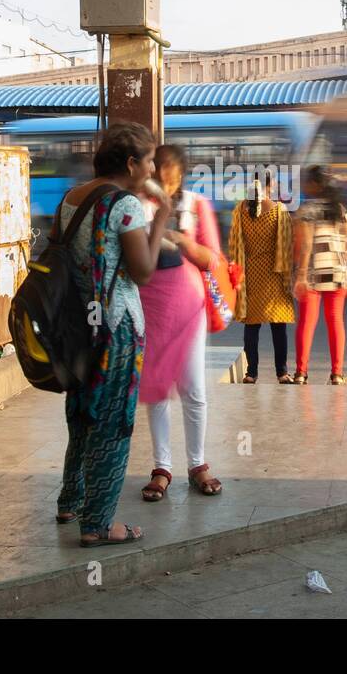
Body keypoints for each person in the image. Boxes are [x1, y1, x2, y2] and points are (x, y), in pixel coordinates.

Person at [54, 121, 170, 547]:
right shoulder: (125, 205)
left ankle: (71, 500)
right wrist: (161, 223)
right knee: (113, 423)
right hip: (116, 329)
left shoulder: (72, 198)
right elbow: (142, 271)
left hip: (77, 326)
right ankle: (98, 523)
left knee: (82, 414)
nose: (154, 166)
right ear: (131, 163)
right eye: (150, 159)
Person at [137, 145, 225, 501]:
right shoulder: (135, 205)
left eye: (170, 176)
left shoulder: (196, 206)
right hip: (149, 307)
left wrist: (181, 240)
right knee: (156, 387)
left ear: (181, 175)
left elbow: (213, 259)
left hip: (189, 308)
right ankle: (162, 467)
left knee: (193, 387)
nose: (164, 183)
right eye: (158, 175)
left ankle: (198, 463)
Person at [227, 168, 295, 384]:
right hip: (274, 274)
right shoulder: (279, 210)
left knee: (252, 325)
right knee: (279, 325)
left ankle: (251, 373)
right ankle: (282, 372)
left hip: (251, 273)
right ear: (271, 185)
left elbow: (234, 243)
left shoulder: (240, 210)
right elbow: (286, 246)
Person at [292, 166, 347, 385]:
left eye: (307, 181)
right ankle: (337, 374)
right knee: (335, 321)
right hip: (338, 272)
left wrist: (300, 275)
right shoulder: (342, 210)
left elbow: (305, 246)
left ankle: (301, 373)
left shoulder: (308, 210)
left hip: (313, 273)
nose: (303, 185)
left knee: (307, 323)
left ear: (315, 185)